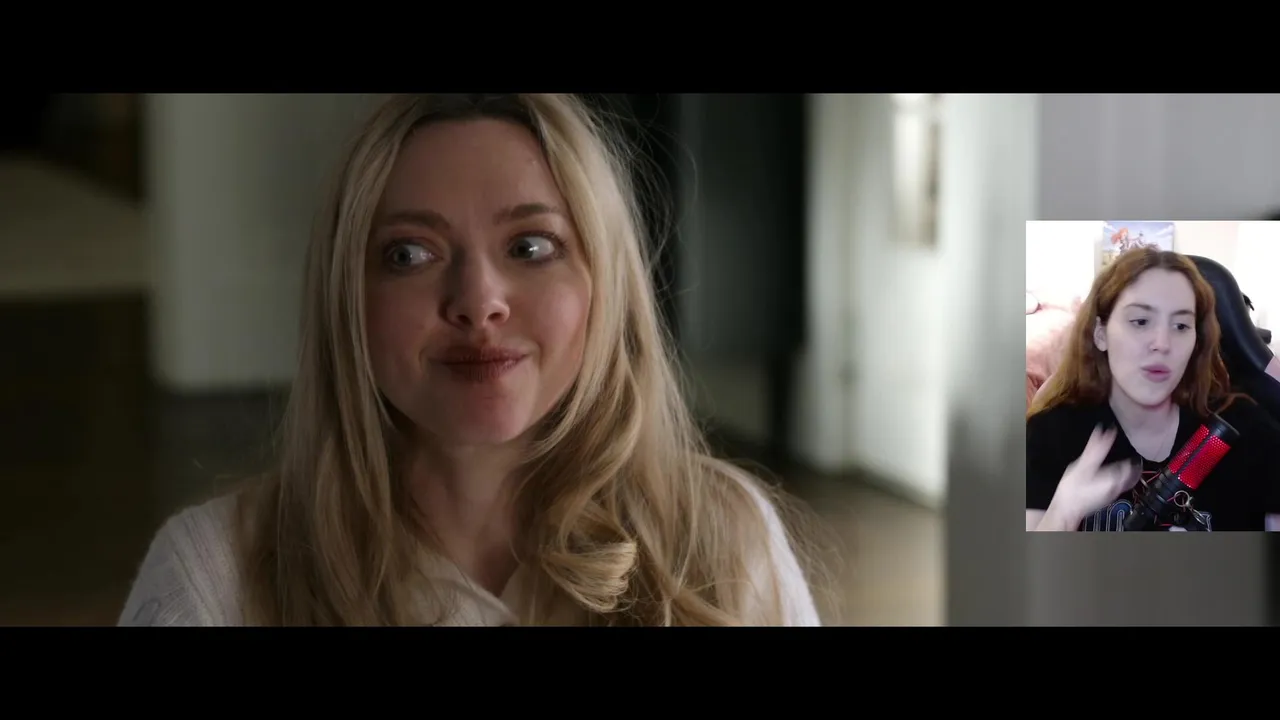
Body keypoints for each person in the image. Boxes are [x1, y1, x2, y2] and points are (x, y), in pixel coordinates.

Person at [118, 93, 826, 626]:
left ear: (606, 286)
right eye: (409, 254)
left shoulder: (727, 540)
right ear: (346, 300)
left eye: (530, 247)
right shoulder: (215, 577)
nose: (478, 302)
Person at [1026, 247, 1280, 532]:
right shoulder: (1051, 433)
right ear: (1101, 334)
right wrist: (1063, 513)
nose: (1162, 343)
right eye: (1140, 321)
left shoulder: (1245, 428)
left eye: (1181, 326)